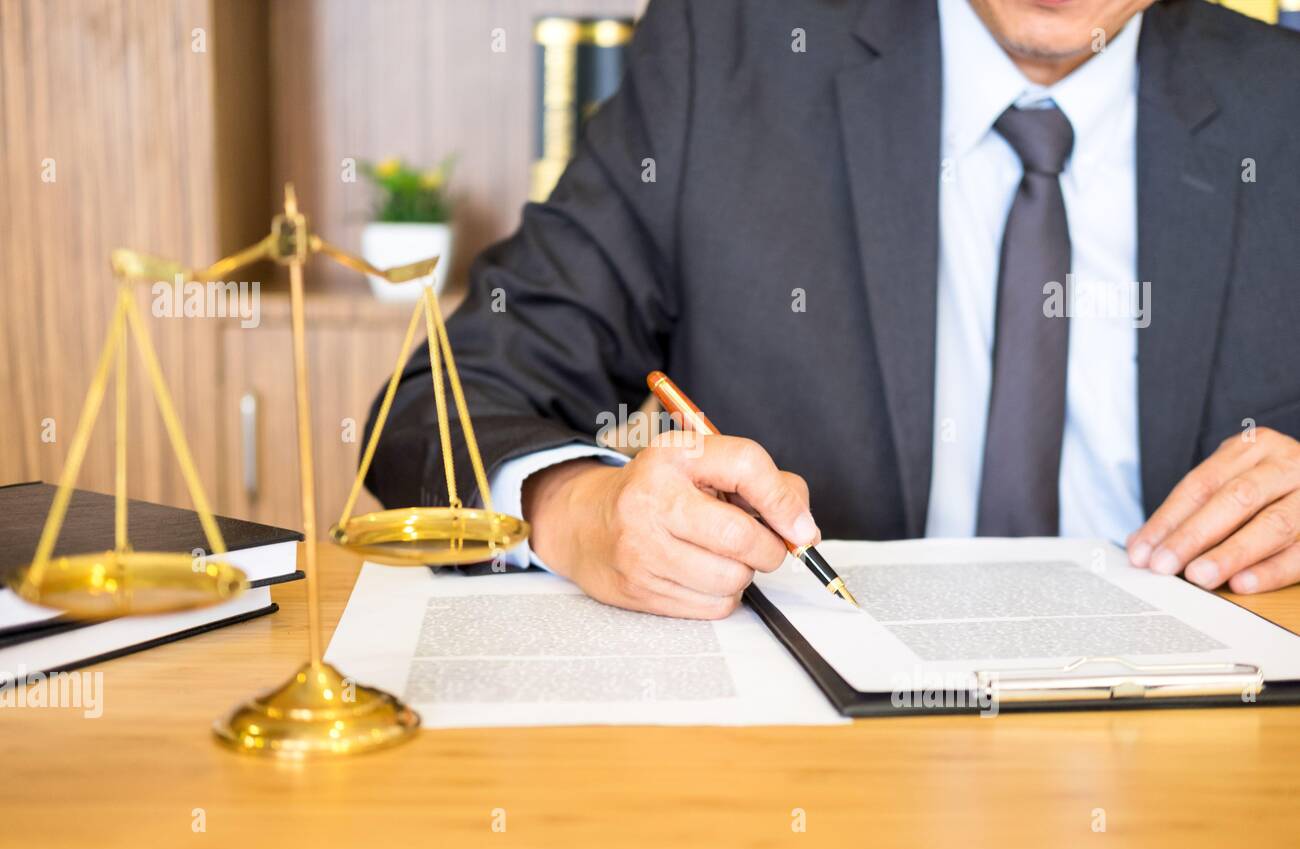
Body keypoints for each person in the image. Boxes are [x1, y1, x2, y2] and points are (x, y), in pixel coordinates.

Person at [366, 0, 1300, 619]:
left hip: (1206, 744)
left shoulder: (1282, 100)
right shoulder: (721, 55)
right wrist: (576, 513)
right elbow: (440, 400)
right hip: (819, 748)